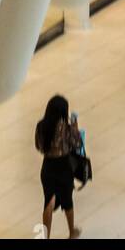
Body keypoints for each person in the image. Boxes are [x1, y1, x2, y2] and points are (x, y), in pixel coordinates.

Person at [35, 95, 83, 239]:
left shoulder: (41, 126)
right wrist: (74, 125)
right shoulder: (66, 128)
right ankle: (71, 232)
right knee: (67, 200)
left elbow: (38, 146)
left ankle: (46, 236)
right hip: (64, 167)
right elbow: (78, 144)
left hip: (47, 167)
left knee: (48, 201)